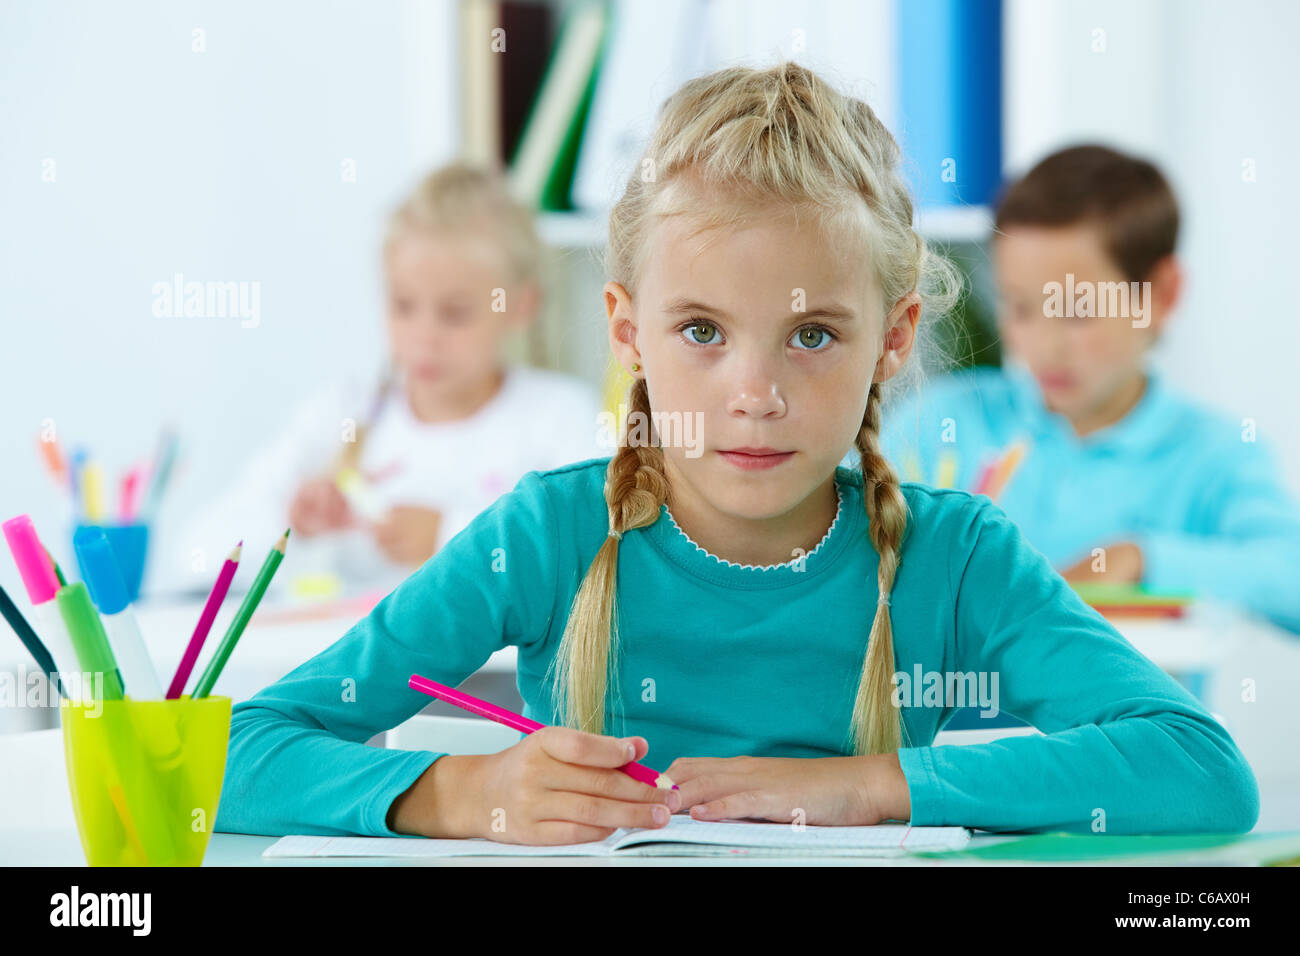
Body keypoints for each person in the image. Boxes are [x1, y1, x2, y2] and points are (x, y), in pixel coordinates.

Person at [215, 64, 1257, 842]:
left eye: (812, 335)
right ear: (629, 335)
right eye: (702, 331)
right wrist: (468, 791)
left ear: (891, 339)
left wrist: (872, 785)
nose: (752, 396)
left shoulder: (956, 556)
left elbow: (1198, 766)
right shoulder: (543, 535)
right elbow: (237, 752)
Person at [865, 144, 1300, 635]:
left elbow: (1290, 578)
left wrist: (1141, 558)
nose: (1045, 347)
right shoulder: (947, 421)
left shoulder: (1211, 455)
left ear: (1160, 295)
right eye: (1021, 308)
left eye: (1076, 311)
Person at [172, 162, 606, 597]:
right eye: (403, 305)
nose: (424, 336)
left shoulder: (556, 416)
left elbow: (595, 553)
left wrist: (446, 536)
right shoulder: (340, 412)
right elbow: (195, 554)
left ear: (521, 305)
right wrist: (295, 522)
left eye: (454, 313)